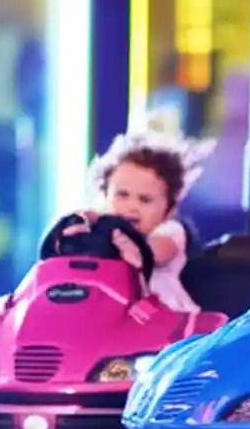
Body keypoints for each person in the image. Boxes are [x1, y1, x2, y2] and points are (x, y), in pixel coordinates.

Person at [62, 129, 214, 313]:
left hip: (162, 318)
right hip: (113, 311)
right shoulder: (102, 229)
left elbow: (153, 254)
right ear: (105, 195)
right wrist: (77, 233)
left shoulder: (170, 231)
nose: (132, 206)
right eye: (122, 195)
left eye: (145, 200)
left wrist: (131, 250)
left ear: (169, 209)